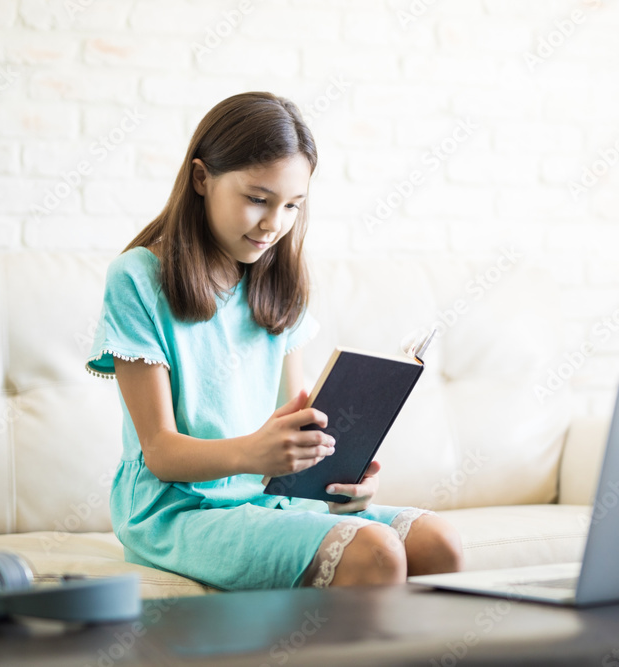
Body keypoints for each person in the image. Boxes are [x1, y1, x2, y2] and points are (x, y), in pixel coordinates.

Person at [85, 92, 463, 591]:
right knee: (375, 554)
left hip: (267, 497)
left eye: (291, 206)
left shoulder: (280, 280)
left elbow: (294, 415)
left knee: (440, 543)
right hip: (175, 509)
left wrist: (337, 479)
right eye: (257, 200)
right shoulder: (137, 278)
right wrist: (251, 455)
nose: (273, 224)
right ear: (202, 179)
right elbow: (160, 451)